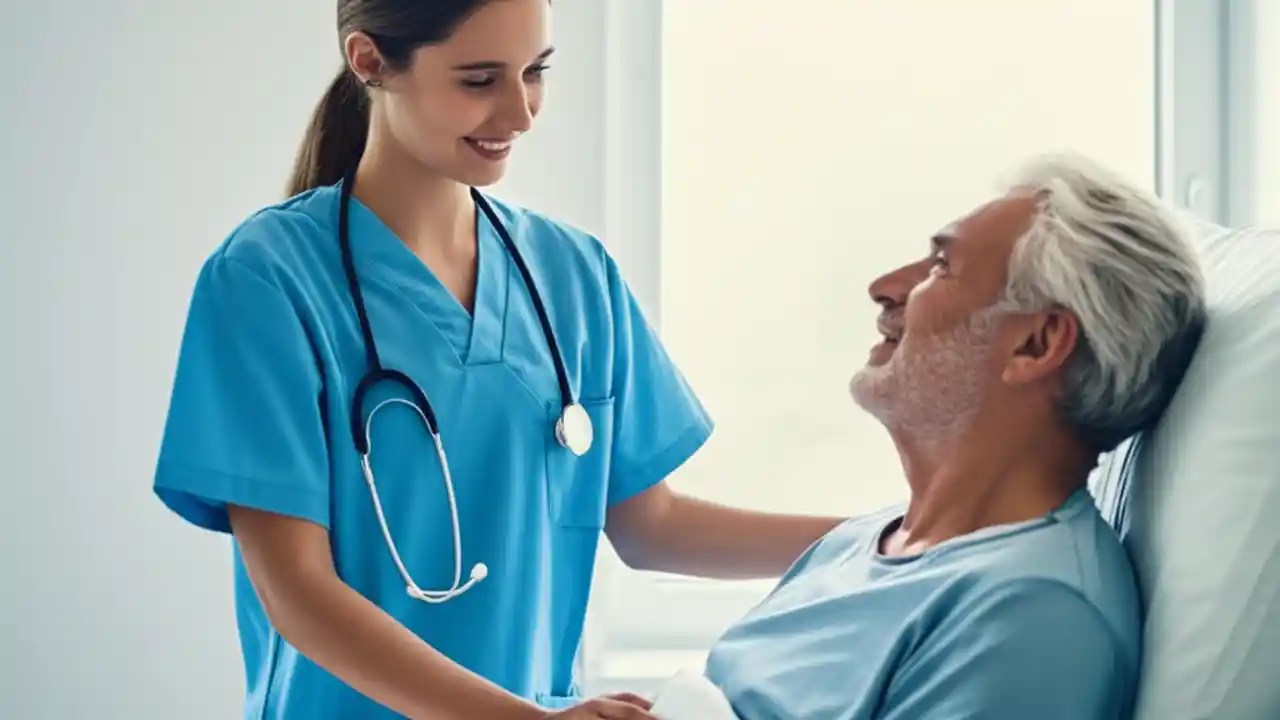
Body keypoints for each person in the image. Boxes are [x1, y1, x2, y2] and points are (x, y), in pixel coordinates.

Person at [151, 2, 842, 718]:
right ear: (369, 62)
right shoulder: (268, 278)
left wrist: (891, 536)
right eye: (480, 80)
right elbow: (298, 593)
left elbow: (650, 525)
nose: (521, 112)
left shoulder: (575, 276)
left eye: (535, 73)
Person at [699, 153, 1206, 719]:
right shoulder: (860, 544)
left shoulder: (1032, 615)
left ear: (1035, 345)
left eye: (941, 266)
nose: (884, 287)